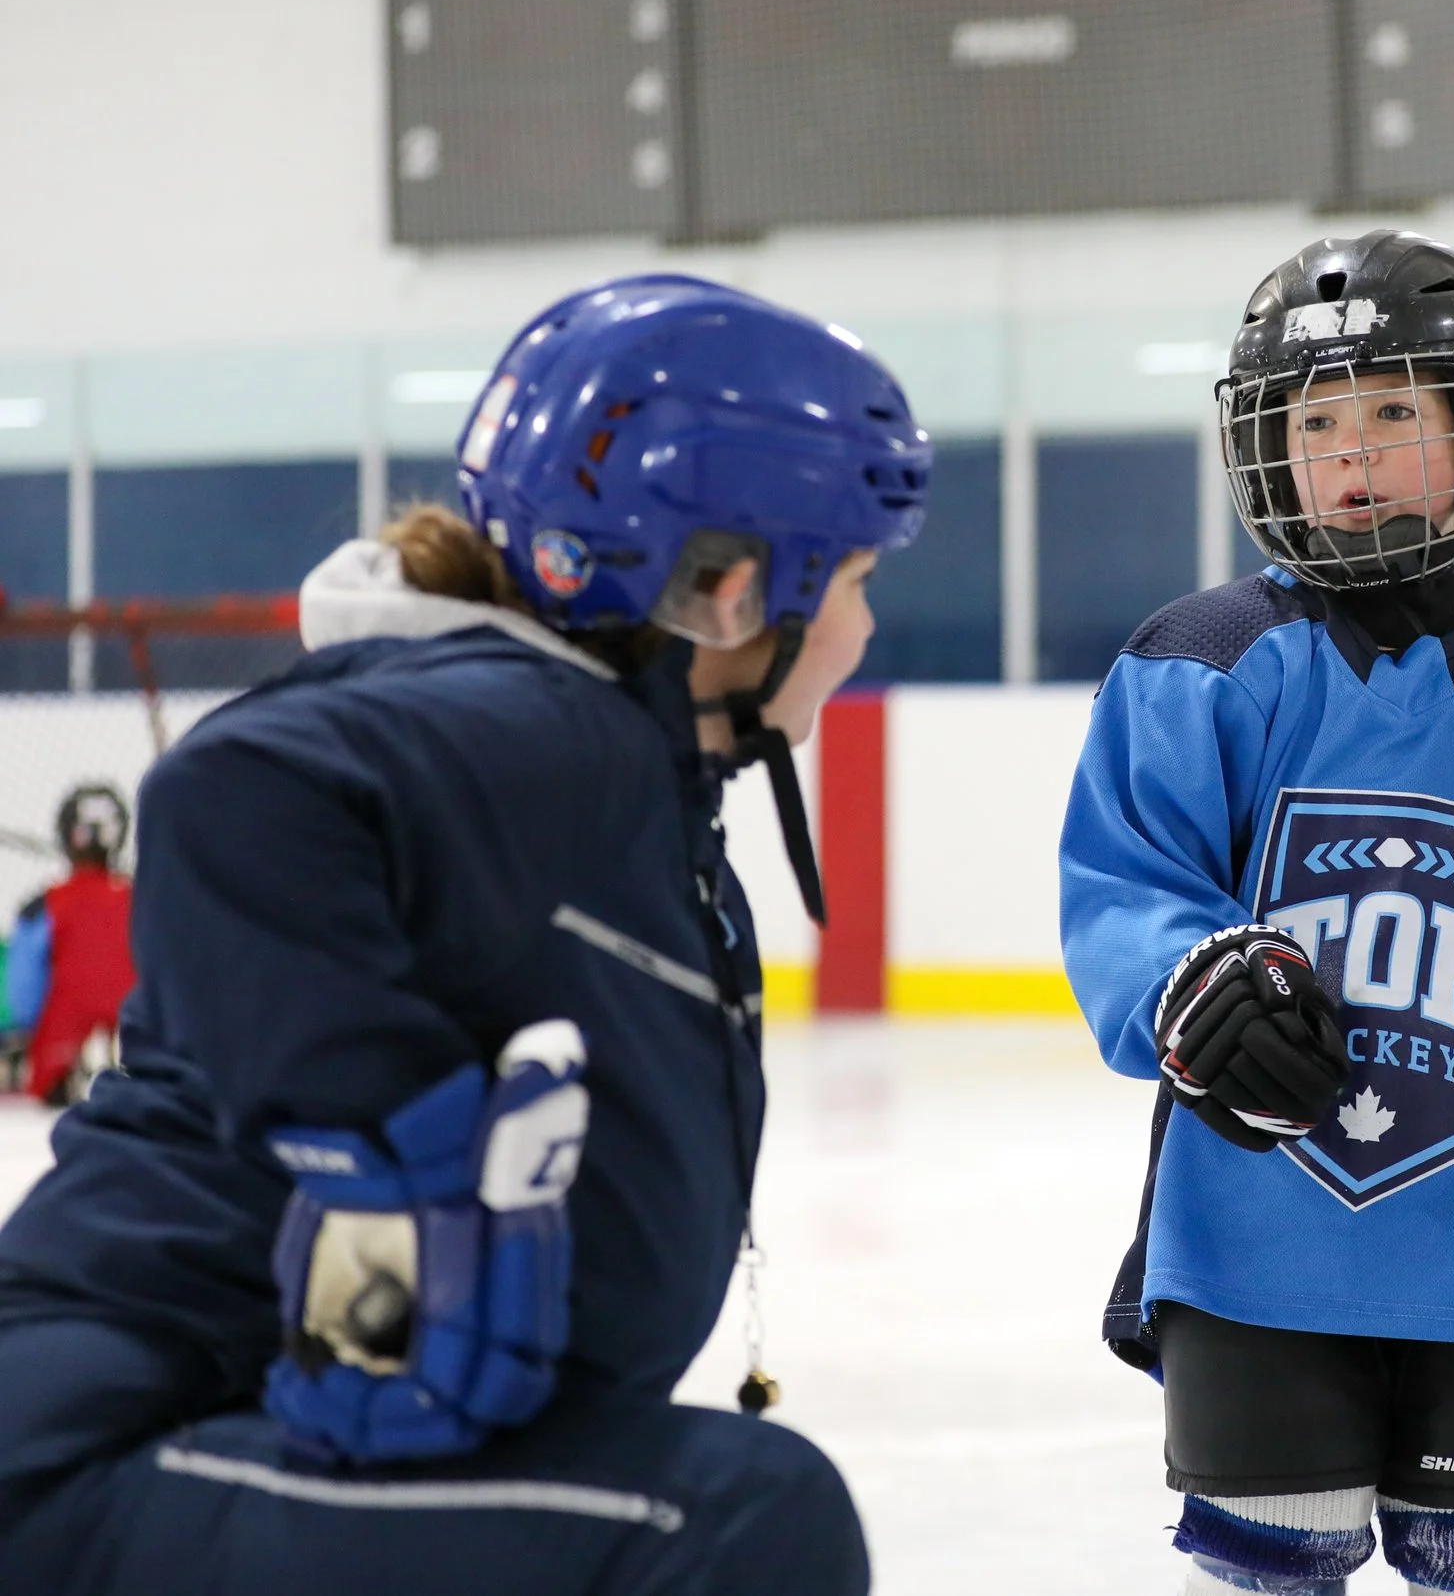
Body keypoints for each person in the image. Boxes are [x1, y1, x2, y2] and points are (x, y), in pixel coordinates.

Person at [0, 274, 931, 1595]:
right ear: (728, 593)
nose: (867, 624)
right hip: (103, 1456)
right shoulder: (551, 727)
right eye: (852, 577)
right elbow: (237, 793)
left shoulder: (604, 752)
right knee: (739, 1519)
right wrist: (405, 1156)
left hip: (192, 1440)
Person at [1060, 229, 1454, 1596]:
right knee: (1261, 1561)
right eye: (1318, 421)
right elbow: (1125, 884)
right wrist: (1188, 983)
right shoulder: (1202, 663)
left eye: (1397, 411)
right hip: (1259, 1241)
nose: (1351, 454)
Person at [5, 785, 139, 1106]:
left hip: (61, 1054)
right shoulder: (142, 900)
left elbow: (22, 992)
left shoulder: (44, 906)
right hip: (135, 1043)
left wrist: (21, 1030)